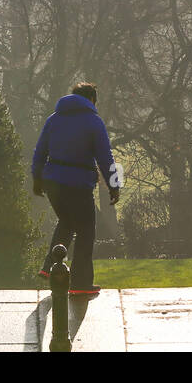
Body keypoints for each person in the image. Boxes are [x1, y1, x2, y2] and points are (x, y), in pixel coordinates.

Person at [32, 82, 119, 297]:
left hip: (52, 182)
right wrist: (114, 185)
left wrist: (37, 178)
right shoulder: (93, 122)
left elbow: (40, 151)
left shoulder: (53, 119)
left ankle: (50, 267)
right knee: (86, 231)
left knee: (67, 222)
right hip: (78, 183)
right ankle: (80, 284)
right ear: (91, 99)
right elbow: (106, 157)